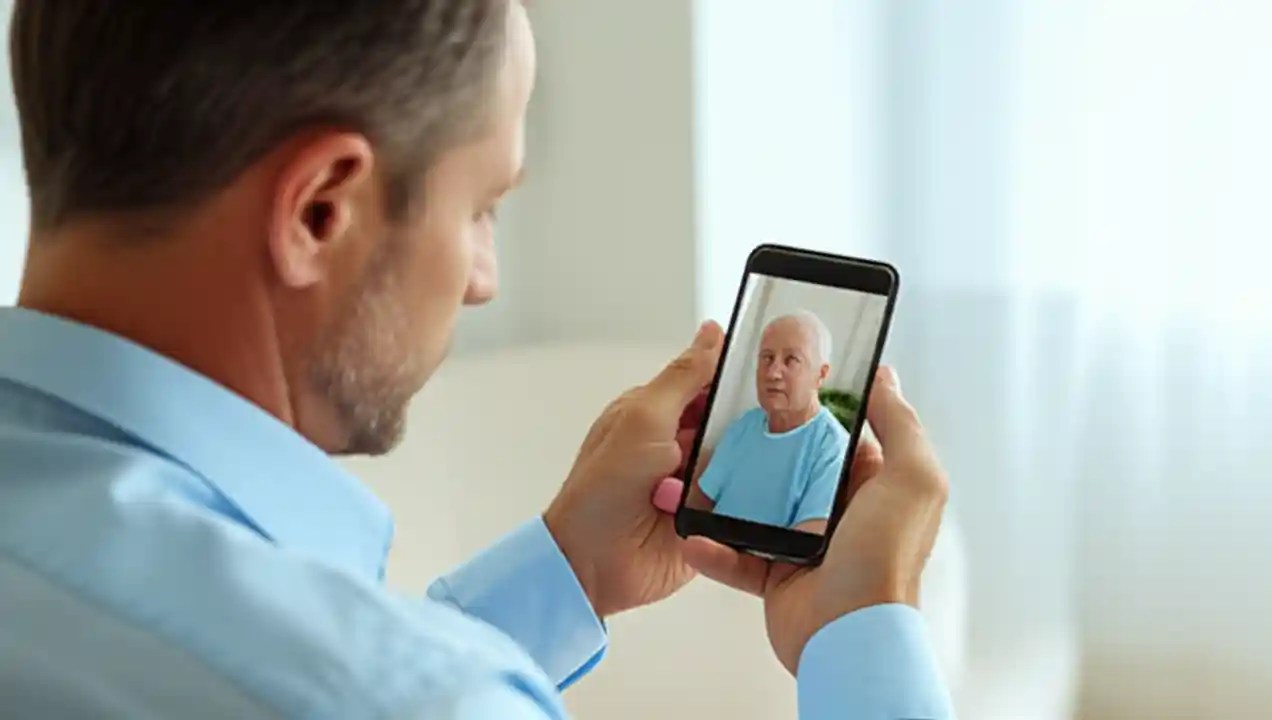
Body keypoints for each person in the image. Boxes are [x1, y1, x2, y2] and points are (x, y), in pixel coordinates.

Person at [0, 1, 954, 718]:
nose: (484, 279)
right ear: (320, 211)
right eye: (481, 209)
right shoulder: (401, 696)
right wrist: (861, 632)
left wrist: (567, 569)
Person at [688, 312, 850, 533]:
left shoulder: (832, 446)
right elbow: (701, 499)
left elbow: (810, 534)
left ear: (821, 375)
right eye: (767, 358)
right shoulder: (746, 424)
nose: (773, 373)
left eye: (791, 360)